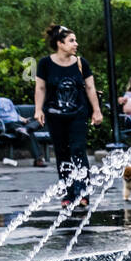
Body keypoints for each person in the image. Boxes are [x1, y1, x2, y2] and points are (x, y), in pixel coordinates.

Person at [34, 24, 103, 208]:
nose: (76, 44)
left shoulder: (81, 63)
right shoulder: (45, 64)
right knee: (62, 153)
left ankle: (83, 193)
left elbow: (90, 88)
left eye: (75, 40)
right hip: (55, 115)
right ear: (60, 43)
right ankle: (68, 192)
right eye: (71, 40)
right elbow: (40, 88)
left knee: (78, 150)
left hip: (78, 114)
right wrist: (38, 109)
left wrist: (96, 110)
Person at [0, 81, 45, 166]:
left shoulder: (6, 101)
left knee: (40, 120)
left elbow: (15, 115)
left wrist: (24, 120)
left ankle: (25, 128)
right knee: (28, 132)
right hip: (7, 126)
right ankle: (38, 159)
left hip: (19, 124)